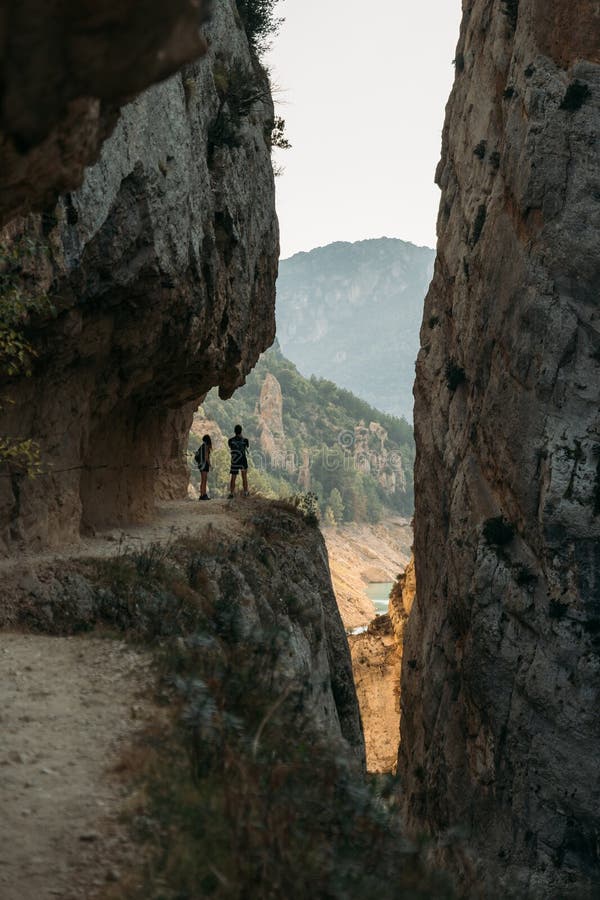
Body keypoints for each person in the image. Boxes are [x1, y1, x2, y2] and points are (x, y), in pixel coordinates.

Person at [228, 424, 249, 498]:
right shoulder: (245, 440)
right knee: (244, 477)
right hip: (243, 460)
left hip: (234, 461)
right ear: (241, 431)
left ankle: (231, 493)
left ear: (234, 431)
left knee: (233, 477)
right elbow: (247, 446)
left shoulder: (230, 440)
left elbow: (230, 447)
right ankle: (246, 492)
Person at [195, 434, 212, 500]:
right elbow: (206, 457)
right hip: (205, 465)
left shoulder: (201, 446)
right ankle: (204, 495)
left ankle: (202, 495)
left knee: (202, 480)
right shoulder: (206, 447)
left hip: (200, 465)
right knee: (204, 480)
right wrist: (210, 465)